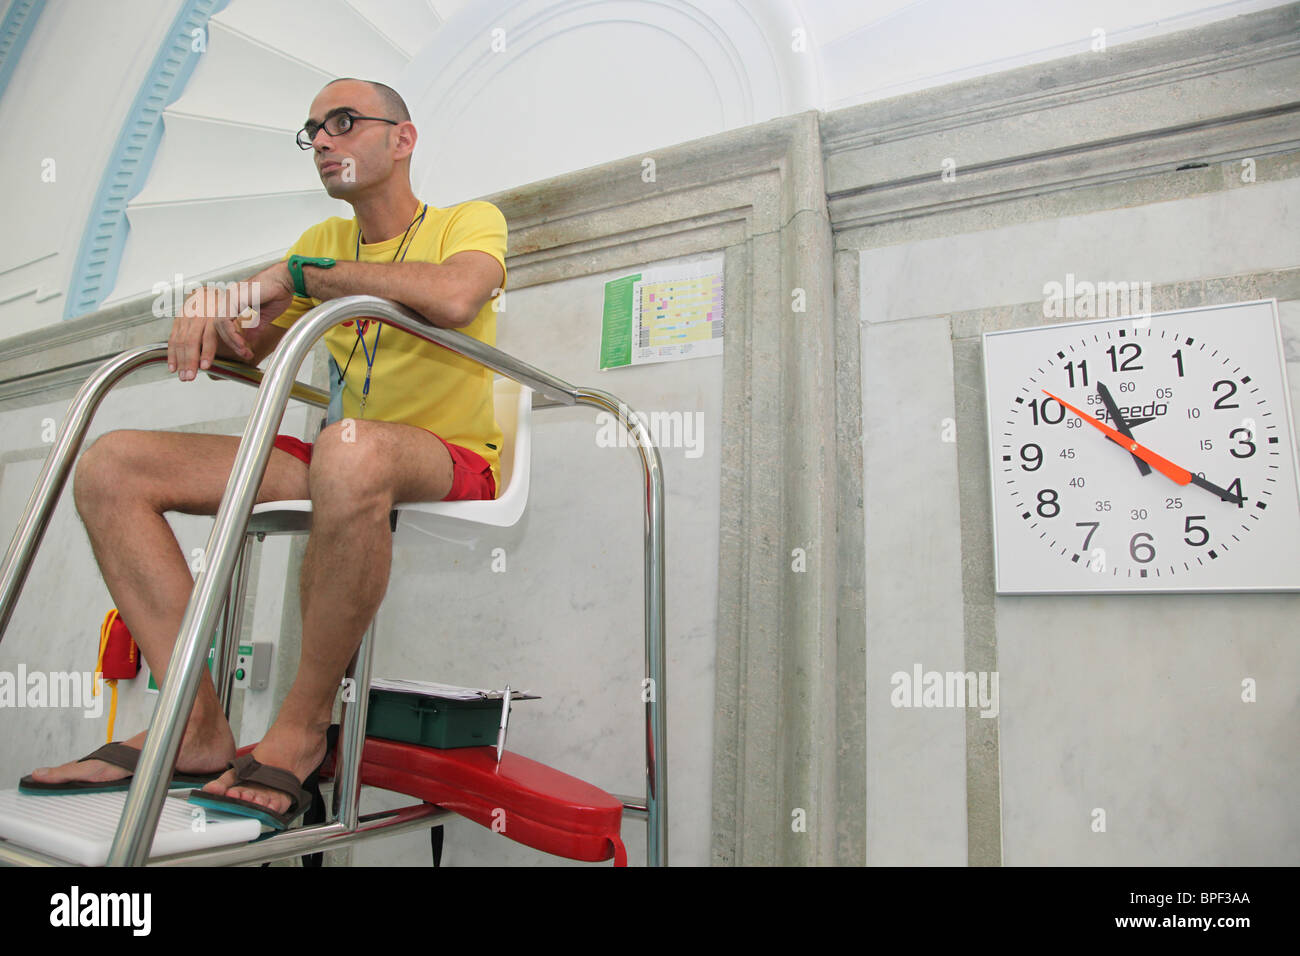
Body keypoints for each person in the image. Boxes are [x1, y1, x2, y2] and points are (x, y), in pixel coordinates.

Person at [21, 77, 508, 828]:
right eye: (312, 129)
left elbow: (454, 298)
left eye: (342, 123)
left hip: (450, 452)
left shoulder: (466, 221)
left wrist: (300, 278)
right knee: (112, 463)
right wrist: (213, 312)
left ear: (402, 138)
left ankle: (301, 730)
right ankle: (195, 724)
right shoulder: (319, 246)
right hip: (337, 452)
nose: (322, 141)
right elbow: (250, 347)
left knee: (348, 448)